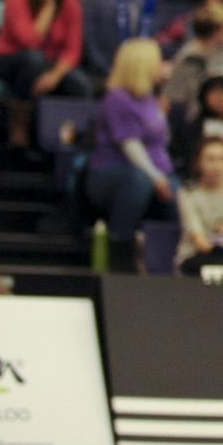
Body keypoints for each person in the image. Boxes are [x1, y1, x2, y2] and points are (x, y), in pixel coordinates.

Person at [85, 38, 176, 272]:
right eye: (157, 62)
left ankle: (167, 261)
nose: (161, 67)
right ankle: (119, 251)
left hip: (157, 170)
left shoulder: (151, 99)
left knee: (179, 196)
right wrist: (156, 177)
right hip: (113, 173)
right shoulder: (118, 98)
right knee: (139, 182)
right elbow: (130, 145)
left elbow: (162, 140)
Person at [0, 0, 87, 148]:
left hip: (49, 64)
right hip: (11, 60)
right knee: (33, 59)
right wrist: (48, 9)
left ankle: (66, 143)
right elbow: (29, 41)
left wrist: (55, 76)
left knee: (80, 84)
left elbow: (73, 50)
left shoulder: (70, 4)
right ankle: (19, 127)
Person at [179, 136, 223, 276]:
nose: (216, 166)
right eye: (210, 159)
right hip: (194, 256)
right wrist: (221, 240)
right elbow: (200, 242)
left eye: (221, 159)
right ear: (199, 162)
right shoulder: (188, 193)